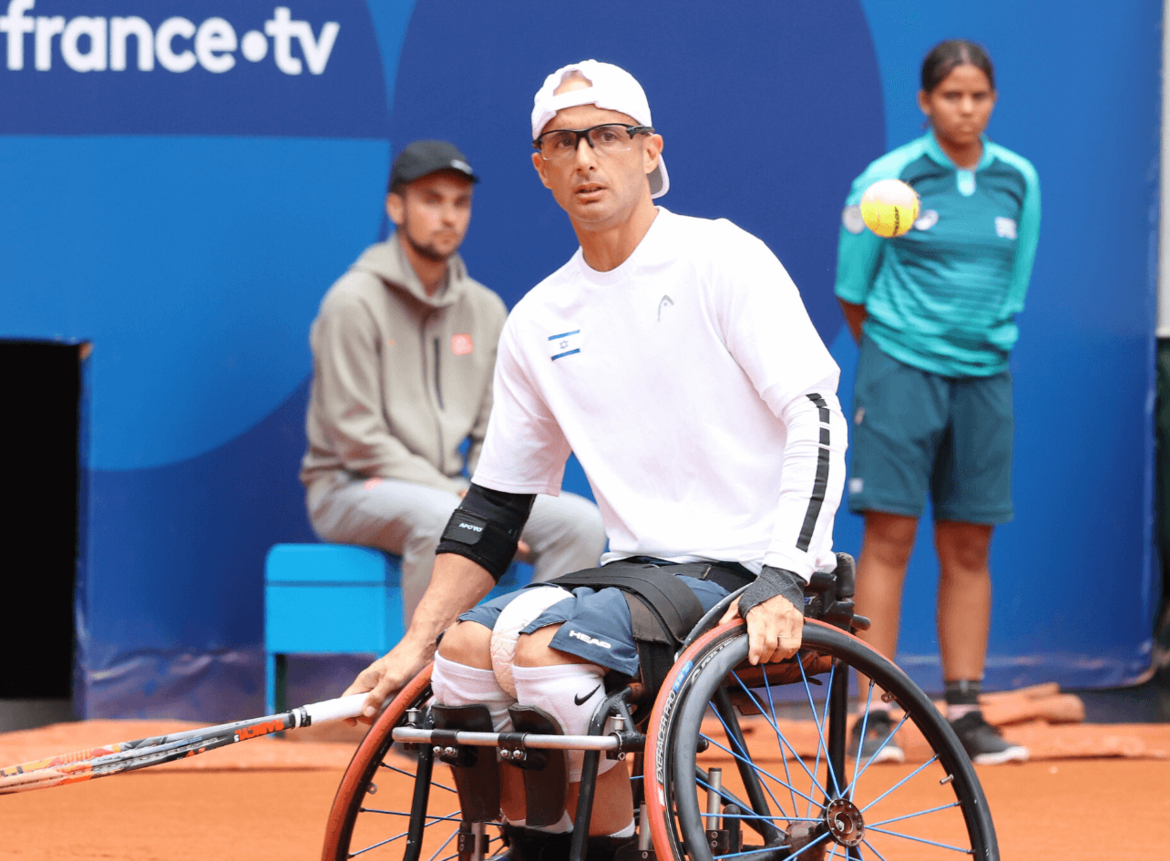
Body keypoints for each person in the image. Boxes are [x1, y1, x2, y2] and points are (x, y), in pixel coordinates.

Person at [342, 61, 847, 857]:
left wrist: (786, 574)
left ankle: (604, 847)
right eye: (564, 142)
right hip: (637, 572)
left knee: (550, 659)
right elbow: (493, 513)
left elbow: (815, 414)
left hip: (748, 566)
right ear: (540, 169)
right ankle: (530, 839)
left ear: (649, 151)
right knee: (466, 655)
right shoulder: (540, 318)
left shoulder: (722, 258)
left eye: (607, 135)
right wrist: (415, 644)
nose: (586, 157)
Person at [835, 40, 1040, 765]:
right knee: (889, 537)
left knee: (970, 543)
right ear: (925, 102)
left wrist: (977, 346)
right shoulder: (888, 180)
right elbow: (852, 291)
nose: (966, 108)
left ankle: (965, 708)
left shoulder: (1018, 180)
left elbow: (1013, 283)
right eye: (951, 96)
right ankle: (871, 712)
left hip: (985, 376)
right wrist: (906, 353)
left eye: (978, 95)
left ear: (991, 100)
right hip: (900, 372)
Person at [301, 139, 607, 625]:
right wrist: (456, 495)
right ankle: (435, 690)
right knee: (444, 520)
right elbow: (356, 440)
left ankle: (532, 671)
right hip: (350, 488)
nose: (448, 216)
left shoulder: (484, 309)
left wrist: (489, 496)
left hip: (455, 488)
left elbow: (497, 428)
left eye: (460, 203)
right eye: (431, 199)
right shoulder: (352, 302)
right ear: (395, 207)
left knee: (580, 524)